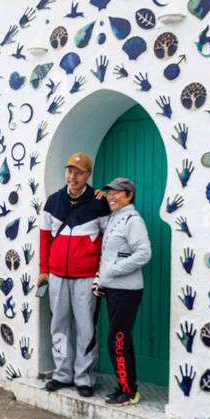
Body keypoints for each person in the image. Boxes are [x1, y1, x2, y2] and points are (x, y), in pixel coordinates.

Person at [39, 153, 110, 397]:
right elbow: (45, 239)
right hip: (57, 274)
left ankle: (84, 378)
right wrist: (43, 270)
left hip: (86, 276)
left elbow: (107, 241)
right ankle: (62, 374)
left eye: (78, 172)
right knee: (58, 325)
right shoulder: (53, 202)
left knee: (86, 327)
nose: (73, 176)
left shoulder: (99, 203)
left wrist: (101, 272)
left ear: (88, 175)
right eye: (69, 171)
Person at [96, 177, 152, 405]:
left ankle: (129, 392)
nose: (111, 196)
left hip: (127, 291)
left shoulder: (132, 220)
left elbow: (144, 253)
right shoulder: (114, 218)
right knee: (122, 341)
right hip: (113, 290)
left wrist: (114, 270)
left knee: (117, 342)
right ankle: (125, 387)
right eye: (109, 192)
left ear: (129, 195)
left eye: (116, 192)